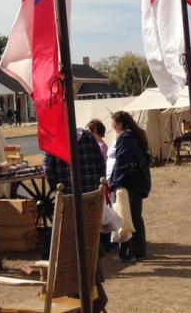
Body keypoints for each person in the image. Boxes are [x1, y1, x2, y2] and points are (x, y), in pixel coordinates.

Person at [42, 126, 108, 311]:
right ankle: (93, 290)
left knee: (70, 249)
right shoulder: (88, 137)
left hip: (70, 202)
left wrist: (58, 190)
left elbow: (48, 171)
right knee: (90, 243)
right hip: (91, 200)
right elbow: (100, 165)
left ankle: (83, 294)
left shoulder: (56, 140)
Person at [109, 111, 151, 262]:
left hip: (129, 183)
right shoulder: (134, 136)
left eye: (114, 123)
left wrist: (115, 183)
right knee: (133, 216)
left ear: (120, 124)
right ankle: (137, 251)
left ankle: (131, 252)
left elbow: (122, 162)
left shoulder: (126, 138)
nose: (112, 126)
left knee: (127, 217)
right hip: (135, 182)